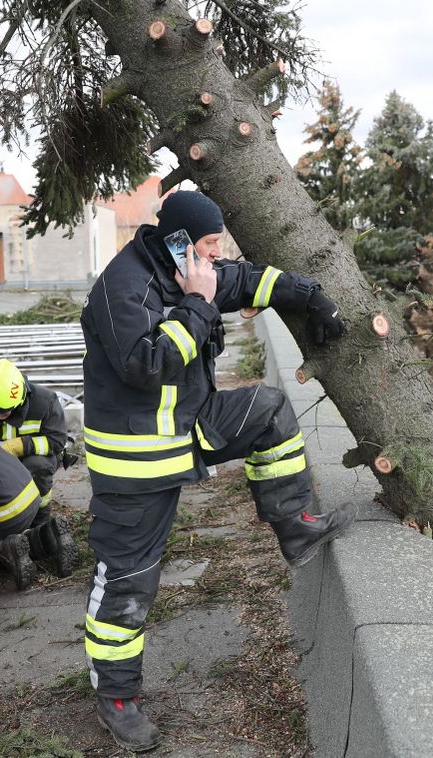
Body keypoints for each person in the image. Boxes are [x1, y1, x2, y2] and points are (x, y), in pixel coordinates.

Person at [79, 190, 353, 751]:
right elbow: (145, 364)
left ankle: (296, 528)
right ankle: (118, 697)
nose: (214, 256)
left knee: (270, 412)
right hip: (136, 462)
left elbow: (246, 278)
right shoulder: (122, 288)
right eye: (206, 245)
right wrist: (200, 306)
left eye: (214, 246)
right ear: (178, 241)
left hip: (188, 427)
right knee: (130, 585)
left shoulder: (186, 266)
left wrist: (311, 295)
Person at [0, 358, 78, 580]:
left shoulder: (45, 402)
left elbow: (57, 442)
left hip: (33, 461)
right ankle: (13, 532)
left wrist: (20, 446)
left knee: (38, 467)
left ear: (20, 397)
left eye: (3, 413)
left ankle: (39, 520)